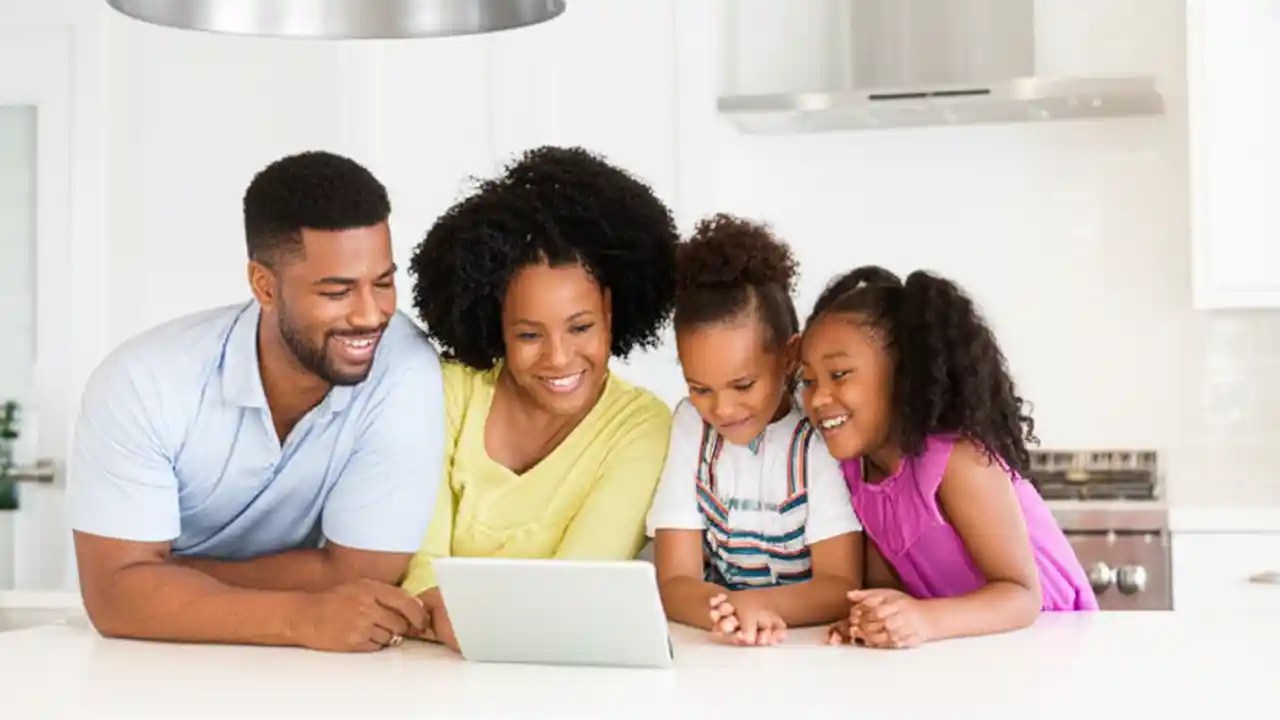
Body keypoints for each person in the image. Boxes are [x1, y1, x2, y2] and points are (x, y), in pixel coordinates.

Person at [67, 150, 442, 652]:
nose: (371, 315)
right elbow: (115, 599)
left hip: (323, 672)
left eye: (383, 283)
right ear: (264, 286)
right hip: (147, 662)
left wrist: (163, 579)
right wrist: (300, 616)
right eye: (337, 292)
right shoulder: (143, 382)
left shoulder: (405, 366)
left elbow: (363, 572)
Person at [400, 146, 678, 650]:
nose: (559, 358)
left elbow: (574, 594)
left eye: (581, 327)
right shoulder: (447, 391)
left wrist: (461, 619)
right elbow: (418, 571)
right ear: (496, 326)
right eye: (530, 335)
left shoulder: (642, 427)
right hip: (420, 676)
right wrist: (451, 613)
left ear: (612, 312)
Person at [797, 266, 1097, 650]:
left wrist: (924, 619)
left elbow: (1022, 596)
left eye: (839, 374)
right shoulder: (855, 472)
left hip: (1049, 643)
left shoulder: (957, 460)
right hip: (964, 650)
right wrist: (873, 617)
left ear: (903, 376)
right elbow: (890, 586)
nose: (818, 398)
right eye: (808, 381)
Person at [645, 214, 864, 647]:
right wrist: (730, 612)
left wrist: (754, 608)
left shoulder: (818, 431)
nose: (722, 409)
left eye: (743, 385)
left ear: (789, 356)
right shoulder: (691, 425)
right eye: (699, 388)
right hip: (726, 643)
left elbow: (840, 584)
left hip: (809, 650)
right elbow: (673, 582)